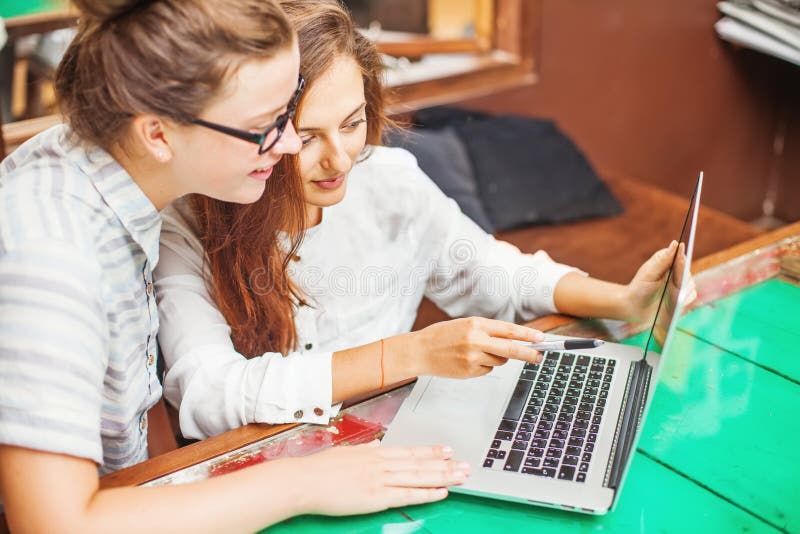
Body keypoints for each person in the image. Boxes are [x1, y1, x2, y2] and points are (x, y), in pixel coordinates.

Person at [0, 1, 468, 532]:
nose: (290, 142)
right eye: (264, 126)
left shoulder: (114, 187)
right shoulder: (53, 250)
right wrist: (306, 484)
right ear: (157, 135)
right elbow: (53, 524)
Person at [154, 0, 682, 442]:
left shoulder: (389, 181)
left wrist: (623, 299)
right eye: (307, 136)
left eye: (353, 123)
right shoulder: (190, 222)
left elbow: (485, 268)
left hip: (393, 442)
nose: (340, 159)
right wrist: (408, 355)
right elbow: (208, 393)